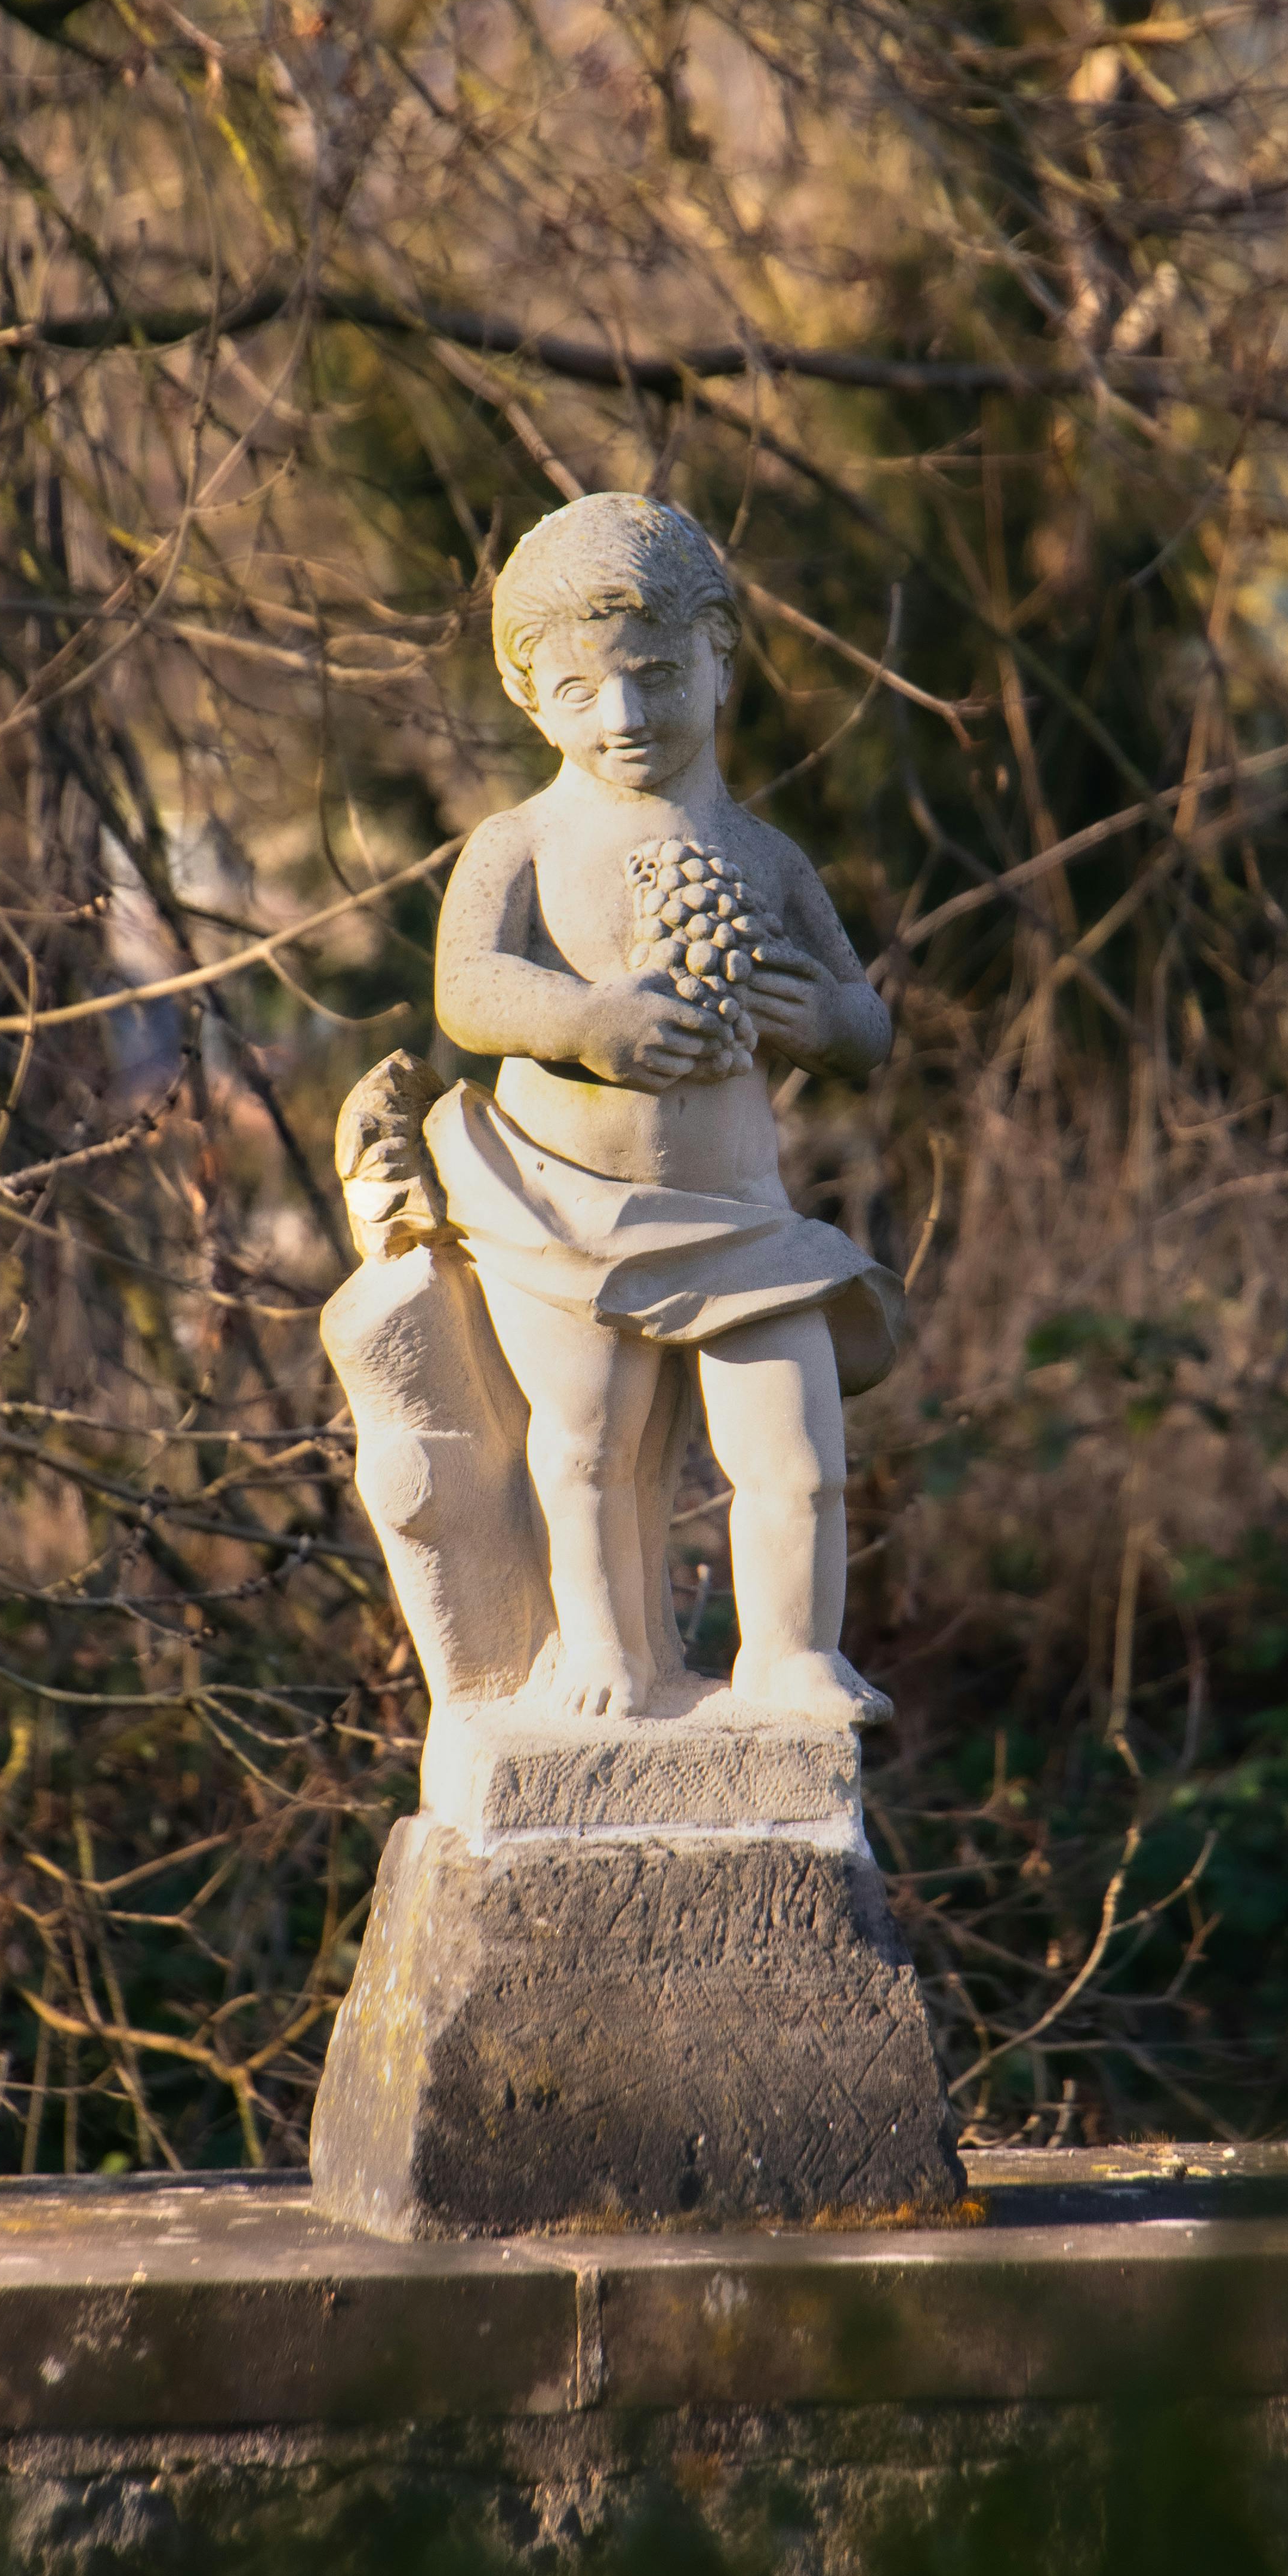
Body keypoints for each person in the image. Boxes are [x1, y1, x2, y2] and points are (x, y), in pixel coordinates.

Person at [425, 491, 900, 1724]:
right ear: (527, 694)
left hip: (740, 1211)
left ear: (719, 660)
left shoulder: (766, 856)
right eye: (578, 691)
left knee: (796, 1449)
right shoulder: (520, 842)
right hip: (568, 1211)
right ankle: (607, 1651)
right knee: (591, 1448)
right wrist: (586, 1021)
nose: (623, 718)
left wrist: (823, 1020)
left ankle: (790, 1657)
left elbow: (865, 1022)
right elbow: (466, 989)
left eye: (654, 676)